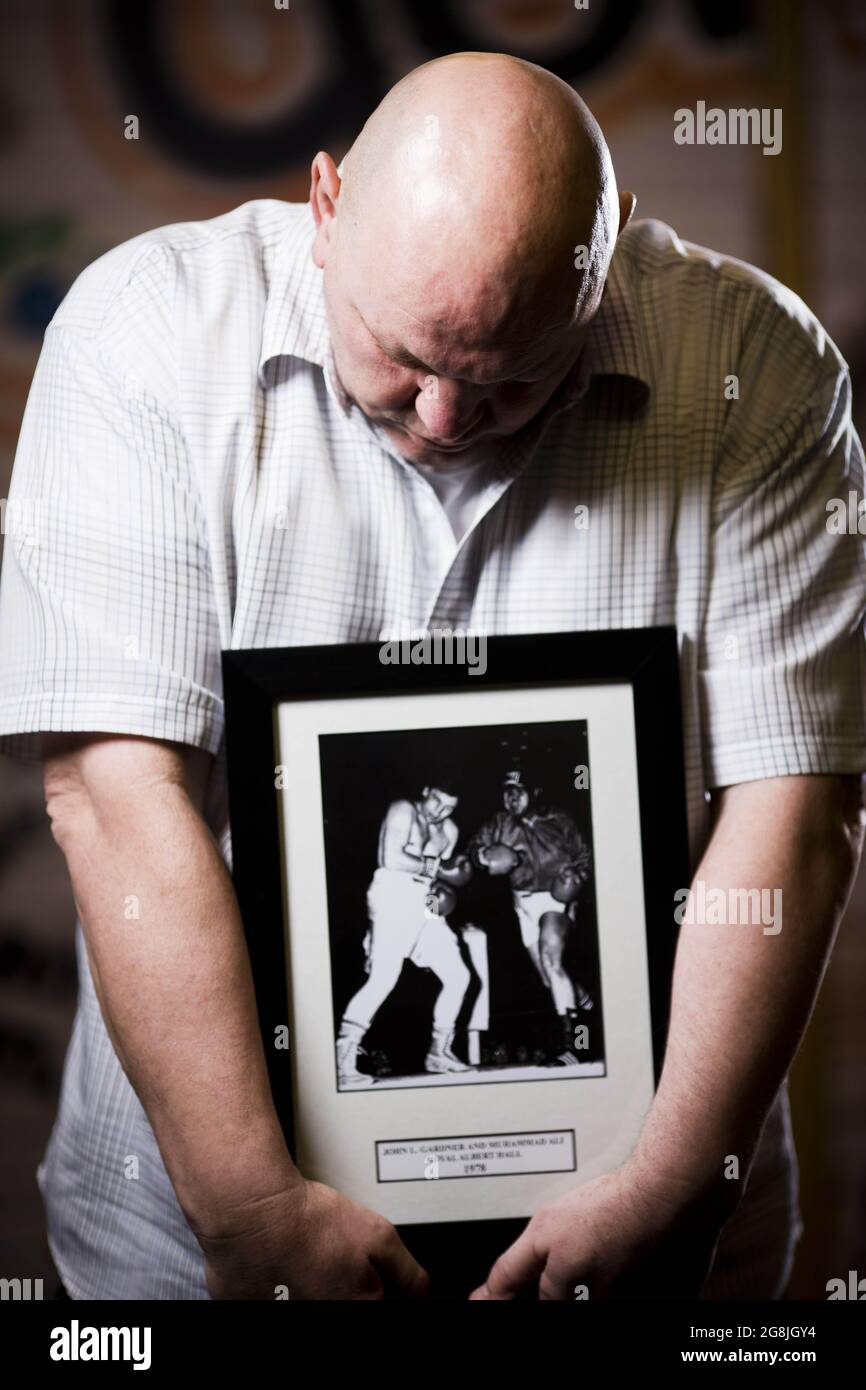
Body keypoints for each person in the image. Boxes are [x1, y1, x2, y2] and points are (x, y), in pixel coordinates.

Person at [0, 50, 863, 1300]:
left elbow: (796, 810)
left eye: (512, 370)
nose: (447, 418)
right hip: (195, 1231)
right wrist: (248, 1209)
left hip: (666, 1219)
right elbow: (114, 794)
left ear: (608, 250)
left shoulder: (760, 369)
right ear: (325, 204)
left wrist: (674, 1187)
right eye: (402, 354)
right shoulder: (143, 336)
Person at [336, 783, 473, 1085]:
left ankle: (439, 1052)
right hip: (391, 893)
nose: (441, 811)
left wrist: (448, 888)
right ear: (426, 790)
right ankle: (342, 1061)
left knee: (458, 975)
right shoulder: (403, 810)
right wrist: (440, 870)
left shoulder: (449, 830)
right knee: (384, 977)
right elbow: (391, 859)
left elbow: (439, 882)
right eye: (438, 801)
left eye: (450, 807)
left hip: (425, 900)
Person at [469, 771, 594, 1064]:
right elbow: (472, 851)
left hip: (555, 899)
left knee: (552, 961)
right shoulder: (499, 823)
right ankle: (583, 1000)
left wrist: (577, 882)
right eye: (506, 791)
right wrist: (483, 856)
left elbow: (584, 856)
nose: (511, 797)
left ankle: (574, 1046)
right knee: (548, 976)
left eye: (518, 791)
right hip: (522, 904)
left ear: (534, 792)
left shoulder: (559, 819)